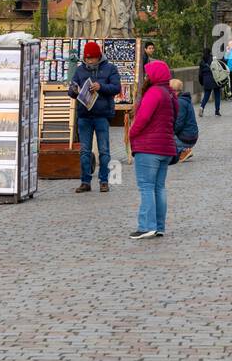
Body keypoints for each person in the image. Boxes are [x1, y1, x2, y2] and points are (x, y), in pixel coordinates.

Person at [128, 59, 178, 238]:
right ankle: (159, 226)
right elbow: (175, 117)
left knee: (146, 186)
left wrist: (131, 134)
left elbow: (142, 119)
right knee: (159, 187)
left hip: (148, 148)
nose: (146, 76)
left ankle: (146, 226)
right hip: (165, 147)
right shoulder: (169, 93)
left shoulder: (154, 93)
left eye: (148, 73)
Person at [68, 41, 122, 193]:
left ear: (99, 57)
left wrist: (101, 87)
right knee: (85, 150)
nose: (89, 61)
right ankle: (85, 181)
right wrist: (75, 91)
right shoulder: (80, 70)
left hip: (102, 115)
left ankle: (104, 181)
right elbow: (71, 90)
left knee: (104, 150)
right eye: (86, 58)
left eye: (91, 58)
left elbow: (116, 87)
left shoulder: (110, 68)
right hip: (84, 115)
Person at [170, 77, 198, 163]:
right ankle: (182, 150)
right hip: (191, 135)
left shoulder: (180, 102)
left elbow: (178, 124)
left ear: (174, 91)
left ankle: (182, 150)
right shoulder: (184, 99)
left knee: (164, 140)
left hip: (186, 137)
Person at [197, 48, 222, 117]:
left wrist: (202, 82)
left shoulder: (201, 62)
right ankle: (217, 111)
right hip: (215, 79)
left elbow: (200, 74)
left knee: (206, 96)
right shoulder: (213, 59)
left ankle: (202, 107)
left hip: (206, 80)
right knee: (217, 95)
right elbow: (218, 69)